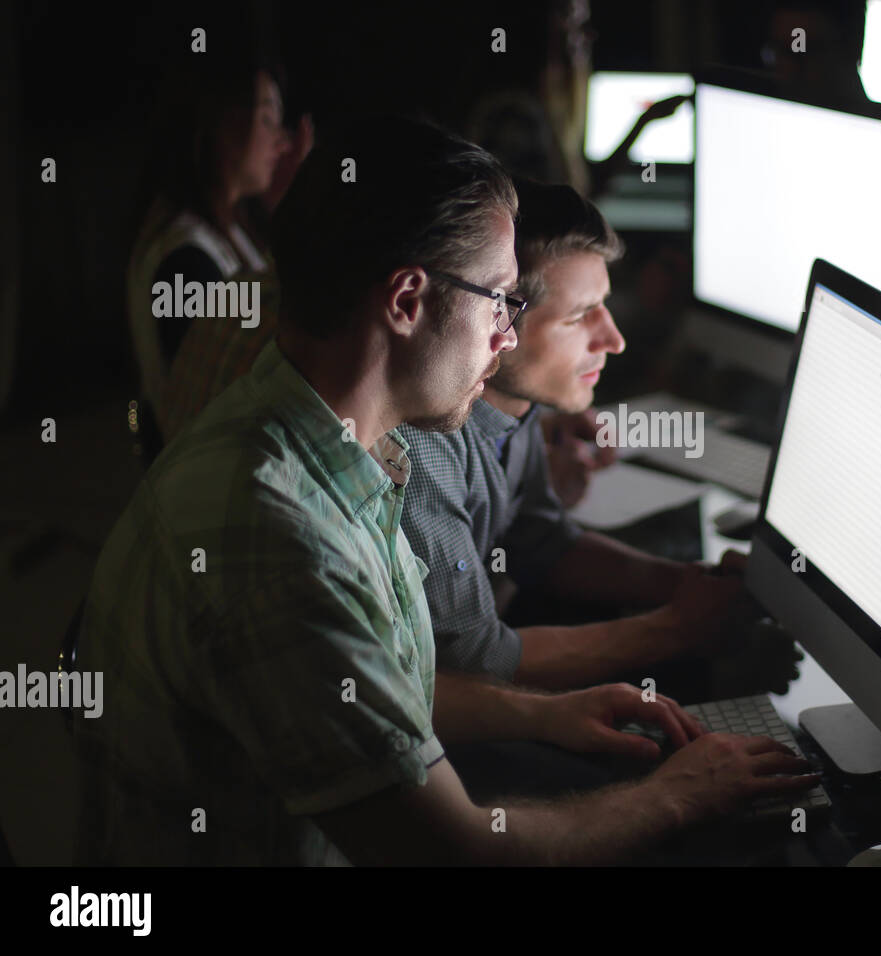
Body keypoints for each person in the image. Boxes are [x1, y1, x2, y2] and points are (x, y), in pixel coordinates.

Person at [74, 117, 817, 866]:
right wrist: (680, 793)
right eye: (499, 299)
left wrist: (547, 714)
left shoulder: (326, 439)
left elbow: (385, 692)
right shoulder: (282, 542)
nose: (505, 337)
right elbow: (457, 852)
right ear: (405, 301)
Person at [398, 178, 800, 693]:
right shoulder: (423, 447)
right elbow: (473, 663)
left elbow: (541, 542)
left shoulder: (518, 407)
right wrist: (678, 626)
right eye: (580, 315)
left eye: (605, 306)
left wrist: (686, 586)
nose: (614, 339)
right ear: (496, 318)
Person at [125, 54, 311, 453]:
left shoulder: (228, 229)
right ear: (220, 126)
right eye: (266, 118)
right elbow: (239, 382)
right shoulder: (186, 260)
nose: (282, 138)